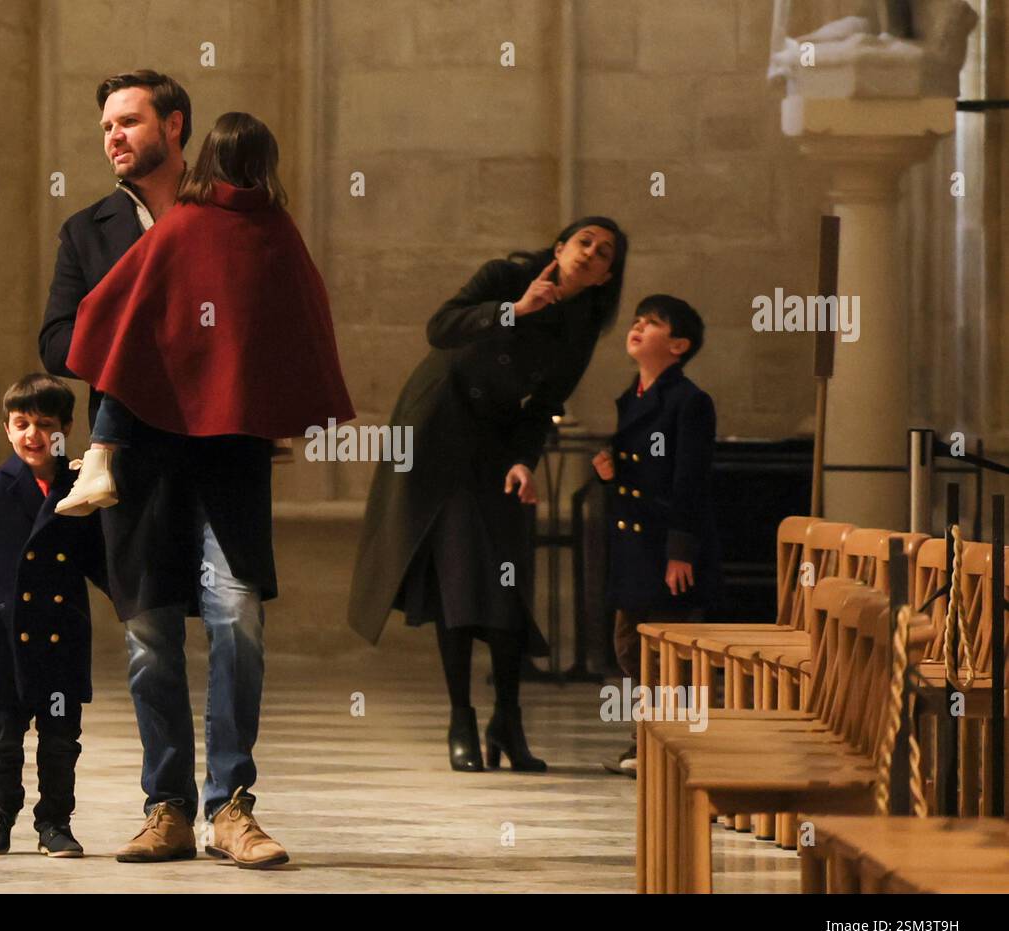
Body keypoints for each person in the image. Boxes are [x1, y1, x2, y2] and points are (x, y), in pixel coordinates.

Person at [51, 108, 353, 869]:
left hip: (229, 461)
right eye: (106, 124)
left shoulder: (265, 231)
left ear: (178, 130)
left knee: (237, 620)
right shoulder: (104, 229)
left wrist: (264, 396)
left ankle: (231, 807)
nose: (114, 135)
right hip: (144, 466)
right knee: (150, 637)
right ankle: (169, 809)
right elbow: (70, 336)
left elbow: (294, 322)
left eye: (129, 121)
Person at [348, 218, 629, 772]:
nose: (591, 253)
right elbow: (441, 327)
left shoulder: (582, 328)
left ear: (604, 278)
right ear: (560, 248)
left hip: (498, 442)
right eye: (584, 242)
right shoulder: (506, 275)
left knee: (506, 572)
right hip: (437, 430)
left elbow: (545, 404)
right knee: (457, 572)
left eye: (604, 254)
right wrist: (515, 309)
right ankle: (460, 720)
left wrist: (525, 460)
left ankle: (507, 717)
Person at [0, 373, 108, 858]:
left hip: (62, 638)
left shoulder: (82, 488)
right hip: (3, 637)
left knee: (60, 743)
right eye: (21, 423)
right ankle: (1, 810)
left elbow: (99, 558)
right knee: (2, 740)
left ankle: (55, 822)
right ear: (7, 430)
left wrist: (130, 597)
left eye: (45, 423)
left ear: (67, 428)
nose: (33, 434)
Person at [592, 295, 720, 778]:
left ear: (679, 345)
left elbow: (690, 480)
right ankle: (650, 737)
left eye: (653, 323)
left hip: (667, 545)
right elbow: (636, 473)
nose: (639, 327)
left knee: (667, 647)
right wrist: (610, 472)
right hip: (634, 546)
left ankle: (664, 744)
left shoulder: (689, 402)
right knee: (629, 644)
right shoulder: (633, 397)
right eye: (636, 320)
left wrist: (681, 552)